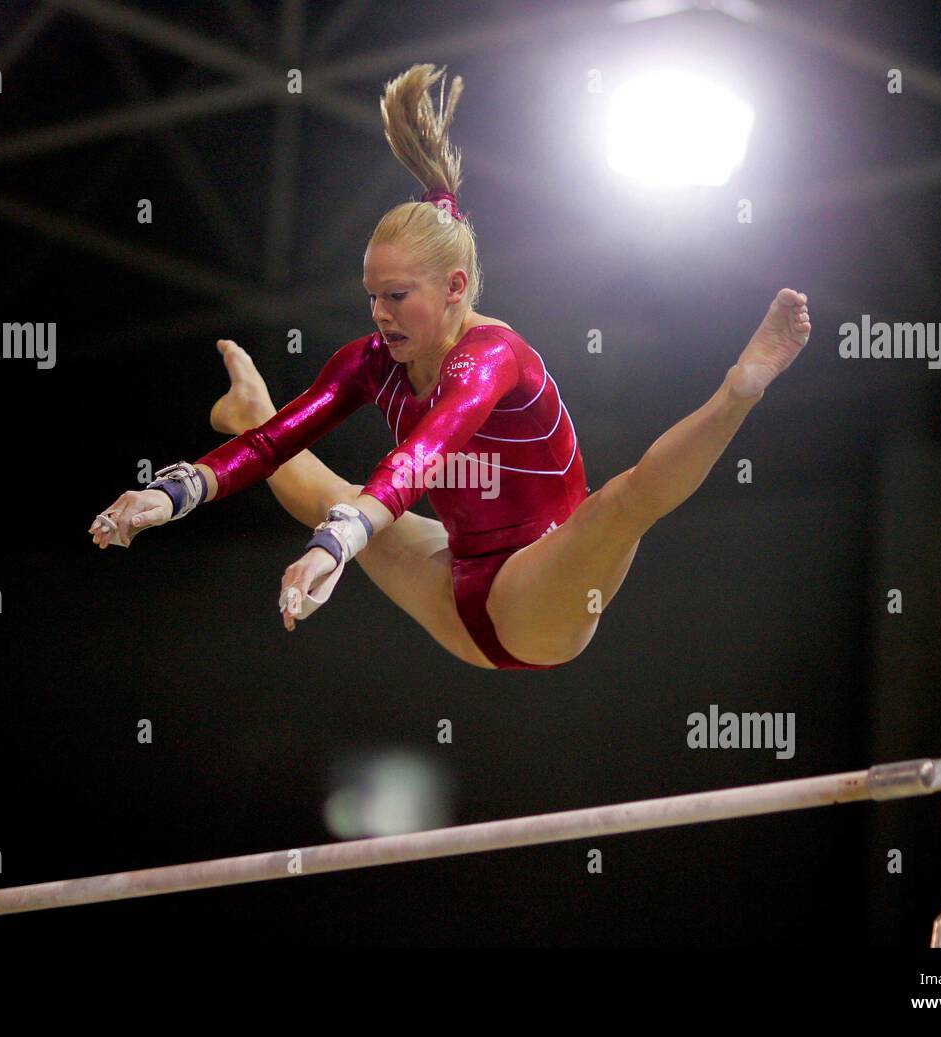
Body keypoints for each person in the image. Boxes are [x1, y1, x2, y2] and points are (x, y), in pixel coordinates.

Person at [88, 64, 811, 672]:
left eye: (397, 297)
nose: (379, 314)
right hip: (453, 588)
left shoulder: (492, 359)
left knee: (617, 506)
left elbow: (422, 454)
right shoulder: (372, 361)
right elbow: (284, 442)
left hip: (539, 598)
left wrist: (335, 545)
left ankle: (737, 390)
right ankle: (246, 407)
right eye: (371, 297)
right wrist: (171, 494)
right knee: (320, 483)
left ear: (456, 288)